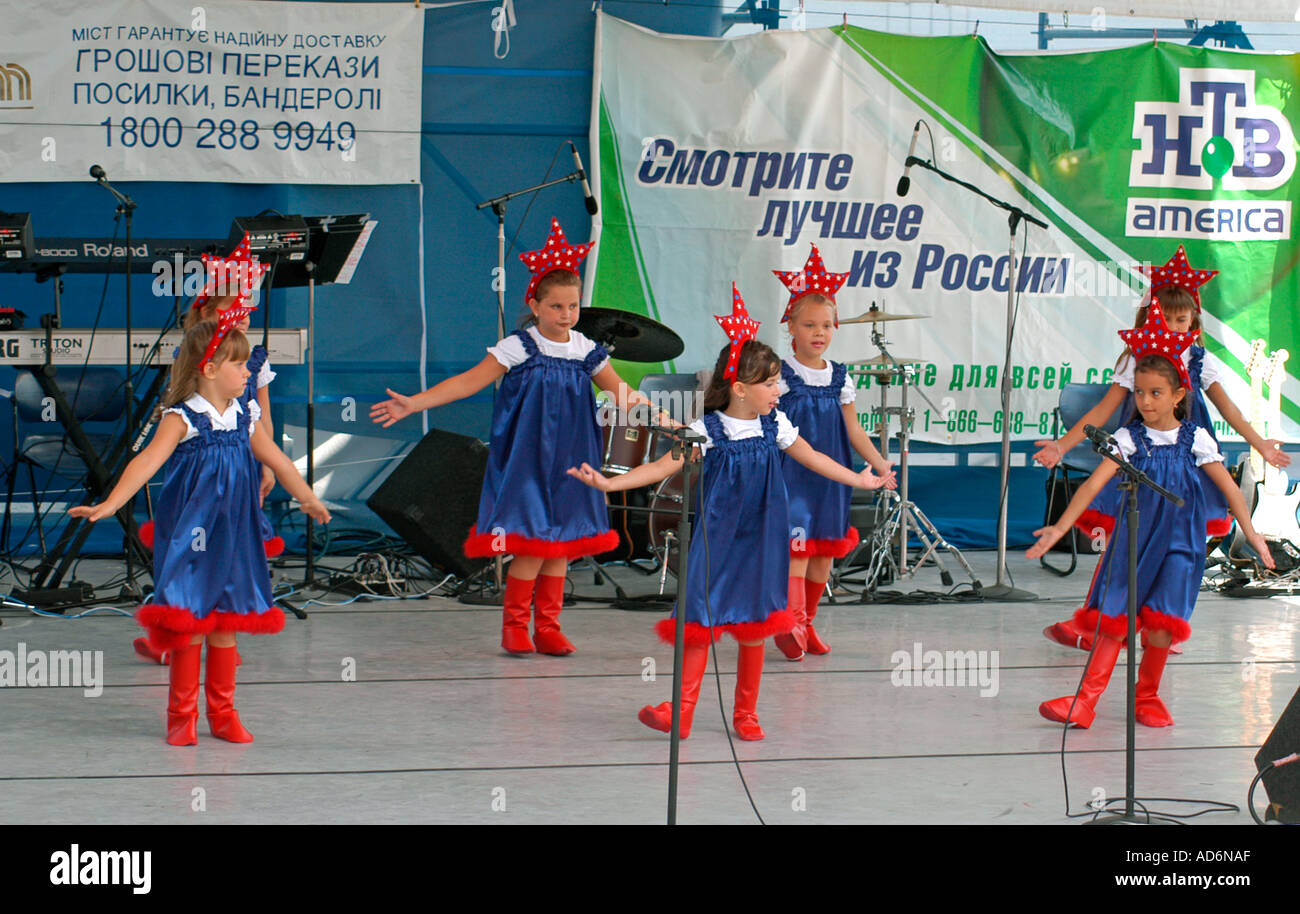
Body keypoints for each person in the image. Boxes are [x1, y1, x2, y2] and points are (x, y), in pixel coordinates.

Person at [567, 286, 887, 740]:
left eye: (778, 380)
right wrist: (609, 481)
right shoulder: (708, 429)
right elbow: (662, 465)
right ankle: (680, 710)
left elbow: (814, 455)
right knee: (700, 620)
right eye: (771, 382)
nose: (779, 389)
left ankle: (746, 713)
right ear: (740, 387)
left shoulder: (776, 425)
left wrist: (860, 479)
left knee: (755, 623)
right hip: (718, 540)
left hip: (762, 539)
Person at [370, 218, 670, 655]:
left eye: (572, 307)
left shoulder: (586, 349)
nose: (566, 315)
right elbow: (468, 382)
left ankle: (547, 626)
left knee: (560, 544)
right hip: (529, 458)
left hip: (573, 457)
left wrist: (661, 415)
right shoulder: (519, 347)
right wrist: (415, 402)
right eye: (556, 307)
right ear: (534, 304)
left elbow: (620, 393)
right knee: (531, 543)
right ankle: (515, 625)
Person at [71, 310, 330, 745]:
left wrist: (305, 495)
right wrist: (112, 501)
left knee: (225, 621)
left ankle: (223, 713)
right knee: (191, 620)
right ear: (209, 370)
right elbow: (147, 460)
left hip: (232, 534)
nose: (249, 371)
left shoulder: (245, 413)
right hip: (193, 536)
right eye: (239, 364)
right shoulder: (184, 416)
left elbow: (276, 458)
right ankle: (181, 716)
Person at [1032, 247, 1288, 651]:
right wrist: (1062, 446)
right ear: (1149, 317)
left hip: (1187, 464)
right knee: (1126, 544)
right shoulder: (1137, 360)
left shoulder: (1200, 360)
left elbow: (1229, 409)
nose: (1171, 327)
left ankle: (1160, 629)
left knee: (1181, 548)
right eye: (1164, 318)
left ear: (1194, 320)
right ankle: (1093, 623)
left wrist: (1261, 445)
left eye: (1180, 320)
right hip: (1141, 461)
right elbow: (1103, 410)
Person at [1026, 315, 1273, 728]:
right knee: (1114, 617)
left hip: (1181, 543)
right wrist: (1061, 526)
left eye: (1155, 393)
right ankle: (1085, 702)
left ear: (1178, 395)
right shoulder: (1127, 439)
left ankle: (1147, 697)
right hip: (1134, 542)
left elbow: (1230, 491)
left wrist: (1252, 534)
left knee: (1162, 622)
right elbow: (1090, 488)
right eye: (1139, 392)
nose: (1145, 401)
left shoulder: (1196, 439)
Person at [134, 236, 282, 664]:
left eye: (243, 312)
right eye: (226, 311)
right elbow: (176, 412)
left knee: (232, 556)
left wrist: (266, 462)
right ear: (204, 314)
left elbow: (261, 413)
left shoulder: (253, 360)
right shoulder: (195, 358)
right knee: (184, 557)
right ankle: (172, 634)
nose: (236, 320)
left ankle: (223, 634)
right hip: (199, 476)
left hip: (238, 468)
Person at [772, 244, 896, 660]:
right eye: (809, 325)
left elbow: (854, 429)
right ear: (791, 327)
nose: (819, 333)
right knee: (798, 548)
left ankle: (807, 623)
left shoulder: (840, 376)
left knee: (824, 553)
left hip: (834, 476)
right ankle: (789, 625)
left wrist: (879, 460)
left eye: (826, 324)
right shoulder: (781, 374)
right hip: (794, 474)